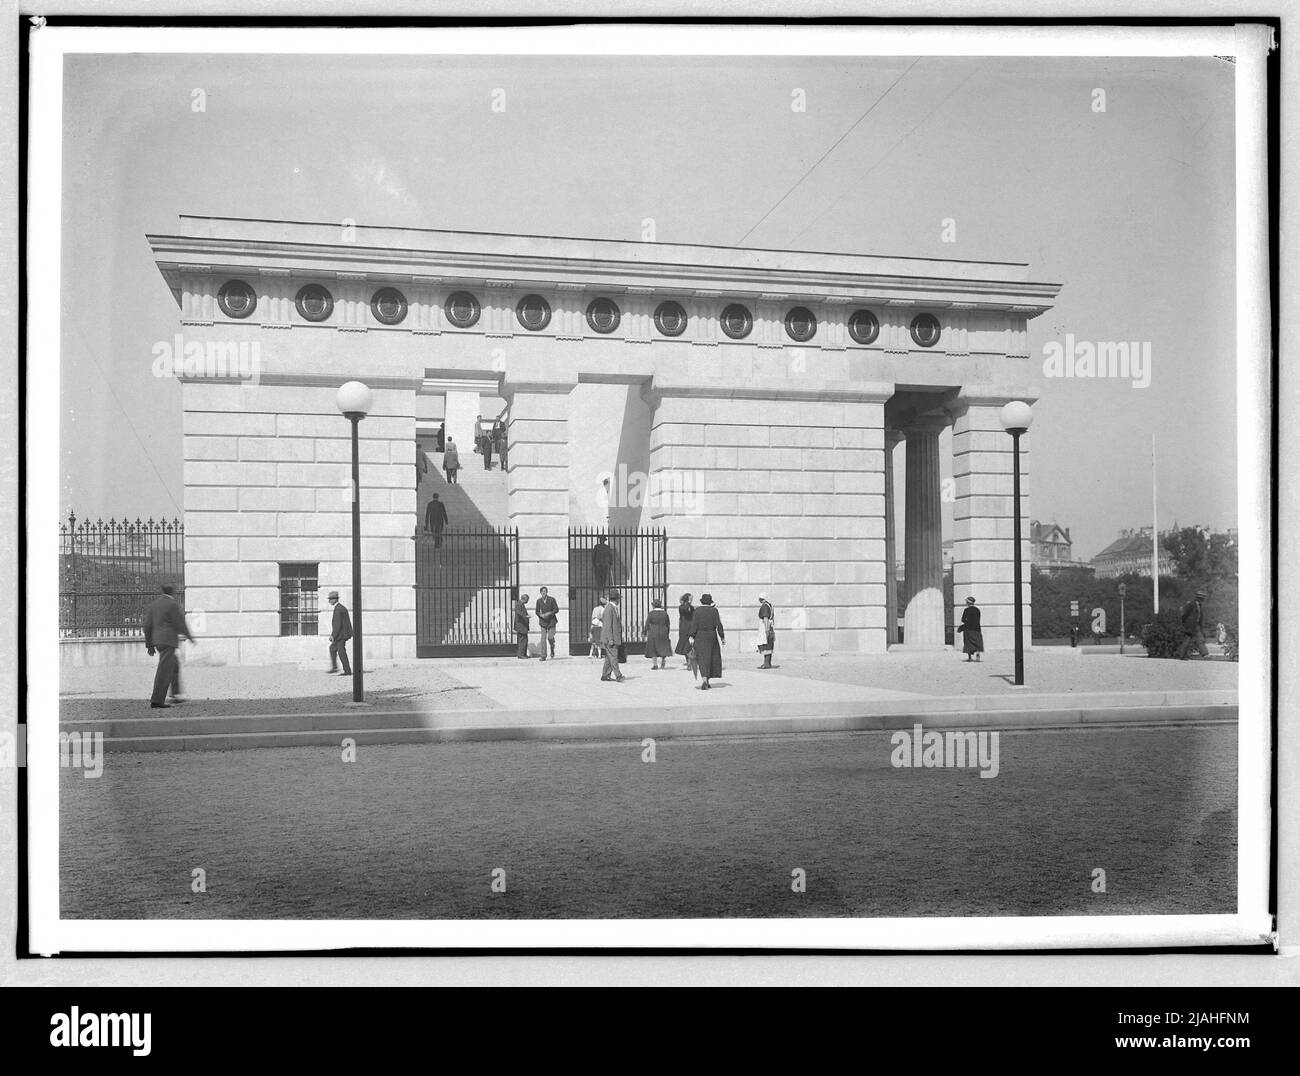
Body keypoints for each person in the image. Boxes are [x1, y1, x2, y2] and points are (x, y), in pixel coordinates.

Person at [143, 583, 195, 709]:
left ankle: (175, 694)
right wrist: (189, 637)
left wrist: (149, 644)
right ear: (173, 591)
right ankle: (157, 700)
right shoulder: (172, 605)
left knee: (174, 665)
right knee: (164, 671)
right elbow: (179, 623)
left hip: (158, 641)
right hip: (168, 641)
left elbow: (147, 626)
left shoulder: (154, 605)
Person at [690, 593, 725, 690]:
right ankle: (707, 680)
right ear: (710, 602)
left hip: (700, 636)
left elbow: (694, 625)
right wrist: (722, 636)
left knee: (702, 658)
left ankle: (704, 680)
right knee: (711, 657)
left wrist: (691, 636)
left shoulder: (697, 611)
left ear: (701, 601)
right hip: (712, 636)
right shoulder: (714, 611)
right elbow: (719, 624)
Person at [600, 590, 626, 682]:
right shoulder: (610, 609)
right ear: (617, 599)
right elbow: (607, 625)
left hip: (614, 637)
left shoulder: (612, 608)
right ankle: (618, 675)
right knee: (614, 657)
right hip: (611, 638)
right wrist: (610, 639)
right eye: (619, 598)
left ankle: (605, 675)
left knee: (609, 658)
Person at [326, 590, 353, 676]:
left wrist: (333, 636)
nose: (329, 601)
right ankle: (335, 667)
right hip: (341, 635)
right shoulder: (341, 608)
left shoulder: (338, 609)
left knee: (341, 653)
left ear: (334, 599)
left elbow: (337, 625)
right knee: (332, 649)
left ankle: (347, 671)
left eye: (330, 599)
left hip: (340, 636)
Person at [1178, 588, 1210, 660]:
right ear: (1198, 598)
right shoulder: (1191, 604)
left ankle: (1205, 654)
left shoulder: (1199, 606)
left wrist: (1201, 626)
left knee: (1200, 639)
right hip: (1190, 626)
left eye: (1203, 598)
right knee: (1187, 640)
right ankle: (1182, 655)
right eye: (1201, 598)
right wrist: (1184, 623)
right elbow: (1184, 613)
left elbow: (1200, 616)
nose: (1202, 600)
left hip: (1196, 626)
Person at [643, 598, 673, 670]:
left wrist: (644, 632)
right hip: (663, 632)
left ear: (653, 605)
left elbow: (647, 624)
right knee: (663, 647)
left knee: (653, 649)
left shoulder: (651, 613)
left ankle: (655, 664)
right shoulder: (665, 613)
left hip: (653, 632)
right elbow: (668, 624)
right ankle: (663, 659)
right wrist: (667, 632)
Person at [535, 586, 559, 661]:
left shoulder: (552, 599)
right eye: (542, 592)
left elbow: (556, 609)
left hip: (551, 621)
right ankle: (543, 655)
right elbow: (537, 611)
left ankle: (552, 646)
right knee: (543, 638)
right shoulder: (538, 601)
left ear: (547, 592)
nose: (543, 593)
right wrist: (541, 615)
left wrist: (549, 613)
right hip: (543, 622)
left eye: (545, 591)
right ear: (540, 593)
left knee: (550, 637)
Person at [958, 596, 984, 662]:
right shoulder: (977, 610)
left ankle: (969, 657)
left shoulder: (966, 610)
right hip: (977, 628)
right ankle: (978, 653)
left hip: (968, 629)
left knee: (968, 643)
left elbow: (963, 619)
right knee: (977, 641)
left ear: (968, 602)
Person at [755, 593, 776, 668]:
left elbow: (766, 618)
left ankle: (767, 663)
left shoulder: (764, 606)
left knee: (765, 644)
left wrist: (766, 630)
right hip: (770, 626)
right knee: (769, 644)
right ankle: (768, 663)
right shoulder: (770, 605)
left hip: (765, 627)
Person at [675, 593, 695, 667]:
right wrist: (689, 603)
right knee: (684, 645)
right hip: (684, 627)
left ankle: (690, 662)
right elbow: (686, 610)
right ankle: (688, 661)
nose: (692, 599)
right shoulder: (682, 607)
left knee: (689, 646)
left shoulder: (691, 607)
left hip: (690, 627)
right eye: (690, 598)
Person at [514, 593, 531, 658]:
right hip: (521, 626)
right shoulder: (519, 604)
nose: (527, 601)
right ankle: (521, 655)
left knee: (525, 640)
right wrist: (526, 616)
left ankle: (523, 654)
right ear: (524, 599)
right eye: (527, 600)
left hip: (523, 626)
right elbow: (518, 612)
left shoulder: (521, 604)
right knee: (522, 640)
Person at [589, 594, 605, 659]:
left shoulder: (595, 609)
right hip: (600, 625)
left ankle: (593, 653)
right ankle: (599, 654)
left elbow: (592, 617)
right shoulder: (603, 609)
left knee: (593, 640)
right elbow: (603, 617)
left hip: (593, 625)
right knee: (599, 640)